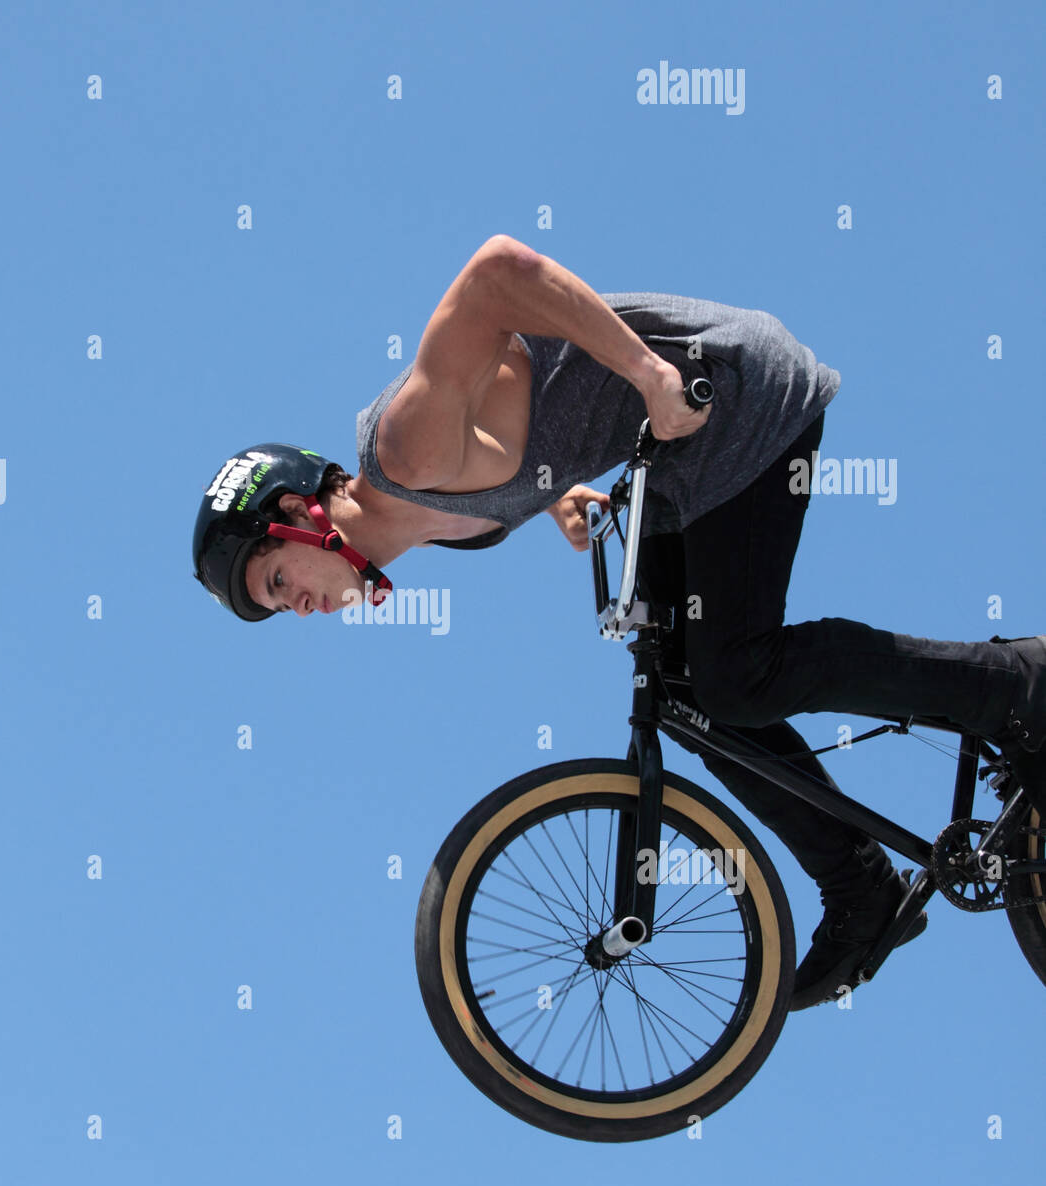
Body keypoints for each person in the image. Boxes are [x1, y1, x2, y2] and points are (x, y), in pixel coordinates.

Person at [192, 234, 1046, 1009]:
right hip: (678, 459)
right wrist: (555, 494)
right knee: (691, 696)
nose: (295, 605)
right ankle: (862, 888)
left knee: (736, 672)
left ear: (296, 513)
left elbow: (496, 272)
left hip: (727, 397)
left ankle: (1014, 685)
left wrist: (647, 374)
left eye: (277, 579)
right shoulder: (433, 524)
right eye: (277, 606)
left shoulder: (403, 451)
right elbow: (516, 416)